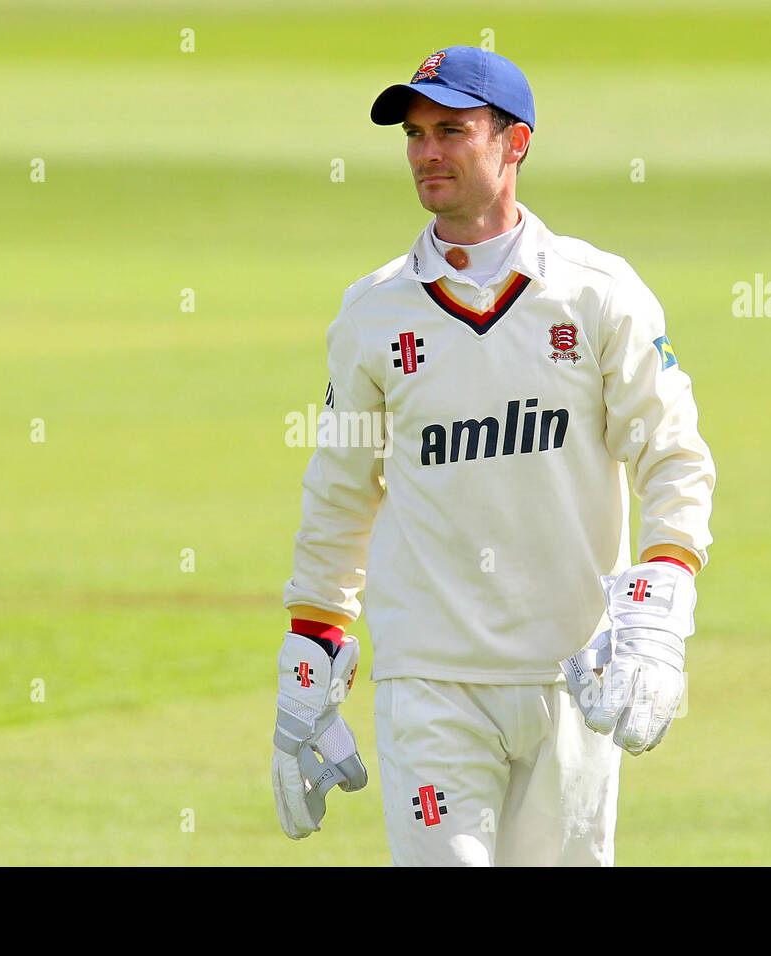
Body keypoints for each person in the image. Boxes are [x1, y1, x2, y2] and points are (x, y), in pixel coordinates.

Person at [271, 46, 716, 866]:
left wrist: (660, 610)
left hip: (573, 671)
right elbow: (338, 492)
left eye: (452, 130)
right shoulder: (373, 314)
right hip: (429, 677)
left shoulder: (597, 293)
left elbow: (674, 456)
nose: (427, 153)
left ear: (515, 144)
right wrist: (312, 645)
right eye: (414, 134)